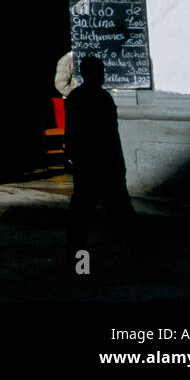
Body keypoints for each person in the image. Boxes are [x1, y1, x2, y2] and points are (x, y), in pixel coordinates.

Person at [64, 56, 136, 263]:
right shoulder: (103, 98)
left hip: (85, 161)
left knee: (83, 209)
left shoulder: (76, 97)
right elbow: (111, 134)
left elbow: (71, 132)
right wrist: (118, 163)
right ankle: (136, 244)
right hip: (104, 161)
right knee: (119, 206)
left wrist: (70, 156)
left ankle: (74, 248)